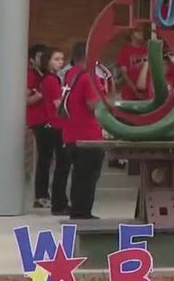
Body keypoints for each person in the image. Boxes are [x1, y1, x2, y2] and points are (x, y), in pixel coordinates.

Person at [61, 43, 105, 219]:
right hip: (89, 135)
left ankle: (76, 209)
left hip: (70, 134)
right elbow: (93, 104)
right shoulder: (88, 77)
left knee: (78, 175)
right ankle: (83, 212)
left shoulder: (70, 74)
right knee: (88, 177)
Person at [39, 48, 71, 215]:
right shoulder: (51, 80)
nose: (60, 62)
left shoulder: (52, 80)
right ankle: (59, 203)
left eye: (62, 59)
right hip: (57, 126)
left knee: (61, 165)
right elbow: (59, 104)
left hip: (55, 125)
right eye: (56, 59)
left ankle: (60, 201)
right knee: (62, 166)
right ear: (48, 61)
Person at [26, 43, 53, 209]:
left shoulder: (50, 75)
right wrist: (42, 93)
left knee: (49, 158)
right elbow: (27, 99)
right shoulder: (31, 75)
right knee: (43, 158)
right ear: (32, 60)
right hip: (38, 120)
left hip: (51, 120)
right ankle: (40, 195)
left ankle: (46, 193)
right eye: (40, 57)